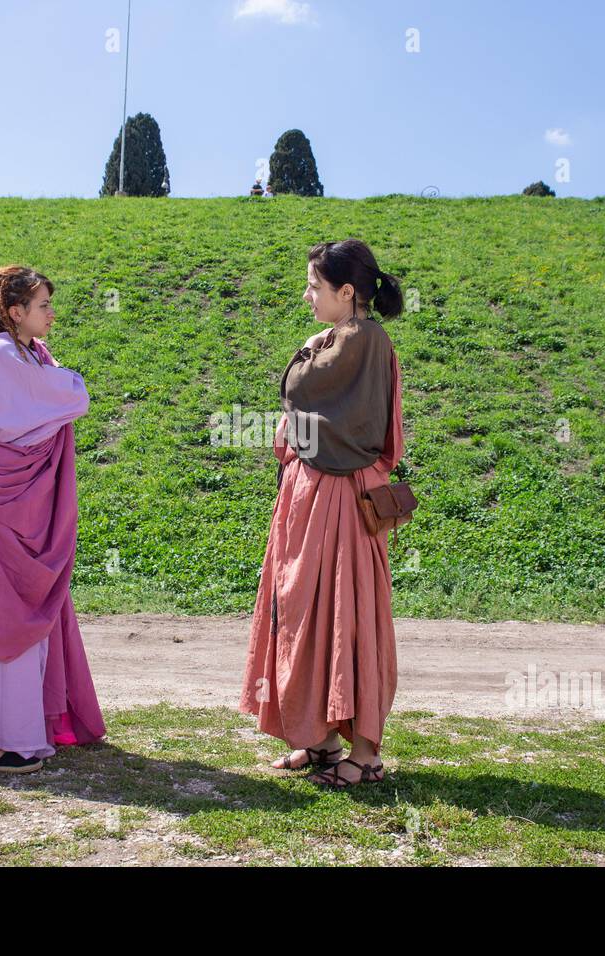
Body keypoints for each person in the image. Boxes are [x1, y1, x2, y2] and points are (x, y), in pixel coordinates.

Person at [239, 238, 406, 788]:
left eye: (316, 287)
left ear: (348, 292)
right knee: (312, 612)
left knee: (346, 618)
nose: (309, 296)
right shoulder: (349, 336)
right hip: (316, 499)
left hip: (339, 501)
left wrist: (307, 349)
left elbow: (300, 387)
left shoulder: (360, 339)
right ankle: (323, 739)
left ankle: (364, 754)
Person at [0, 265, 106, 773]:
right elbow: (72, 396)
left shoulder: (30, 352)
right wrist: (66, 383)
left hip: (13, 506)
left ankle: (5, 733)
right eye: (43, 305)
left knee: (10, 614)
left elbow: (58, 397)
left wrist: (60, 381)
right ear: (15, 312)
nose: (52, 313)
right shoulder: (6, 354)